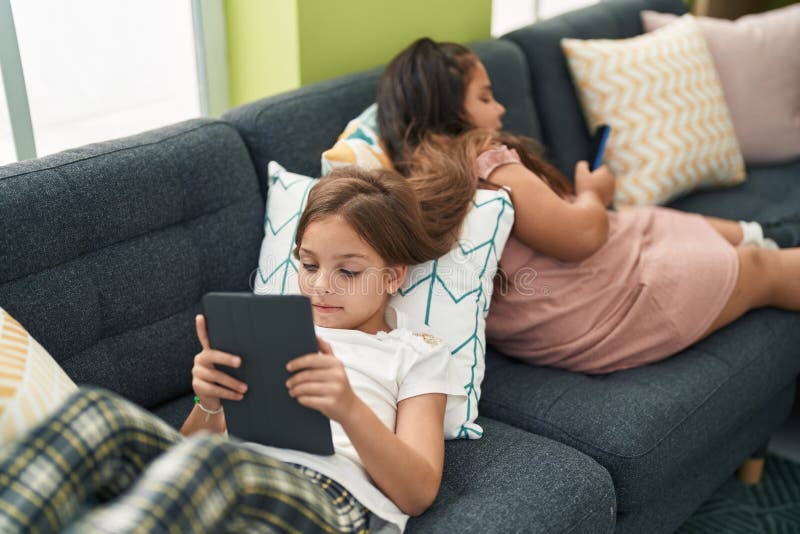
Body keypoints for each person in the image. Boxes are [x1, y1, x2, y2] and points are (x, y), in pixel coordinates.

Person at [0, 166, 463, 533]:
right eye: (308, 264)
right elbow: (181, 453)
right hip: (227, 473)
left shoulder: (416, 351)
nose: (320, 286)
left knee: (211, 465)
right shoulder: (271, 326)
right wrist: (210, 402)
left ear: (393, 276)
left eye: (348, 271)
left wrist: (348, 409)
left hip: (330, 496)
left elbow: (419, 492)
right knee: (96, 412)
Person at [375, 37, 800, 374]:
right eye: (486, 98)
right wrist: (594, 194)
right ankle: (768, 250)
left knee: (643, 220)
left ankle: (767, 235)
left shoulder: (422, 178)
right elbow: (582, 237)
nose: (501, 108)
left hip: (557, 307)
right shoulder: (490, 165)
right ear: (449, 111)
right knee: (757, 269)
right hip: (594, 309)